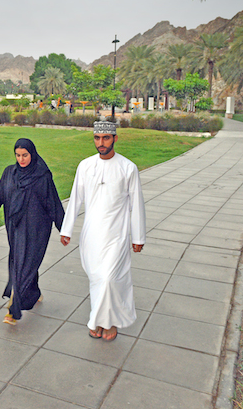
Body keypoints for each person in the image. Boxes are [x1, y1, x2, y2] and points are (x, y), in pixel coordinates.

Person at [59, 121, 146, 342]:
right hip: (92, 236)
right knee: (98, 279)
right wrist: (66, 229)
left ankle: (103, 322)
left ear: (115, 138)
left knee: (109, 279)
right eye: (97, 138)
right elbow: (75, 199)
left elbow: (137, 204)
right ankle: (102, 321)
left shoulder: (128, 168)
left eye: (106, 138)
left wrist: (138, 236)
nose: (101, 143)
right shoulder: (85, 166)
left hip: (116, 235)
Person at [0, 138, 66, 325]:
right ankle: (33, 293)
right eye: (18, 155)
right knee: (23, 262)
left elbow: (53, 203)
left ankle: (13, 309)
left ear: (32, 154)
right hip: (15, 227)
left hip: (36, 229)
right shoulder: (9, 173)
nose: (21, 159)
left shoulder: (42, 177)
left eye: (25, 155)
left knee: (21, 266)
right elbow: (0, 195)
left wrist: (63, 228)